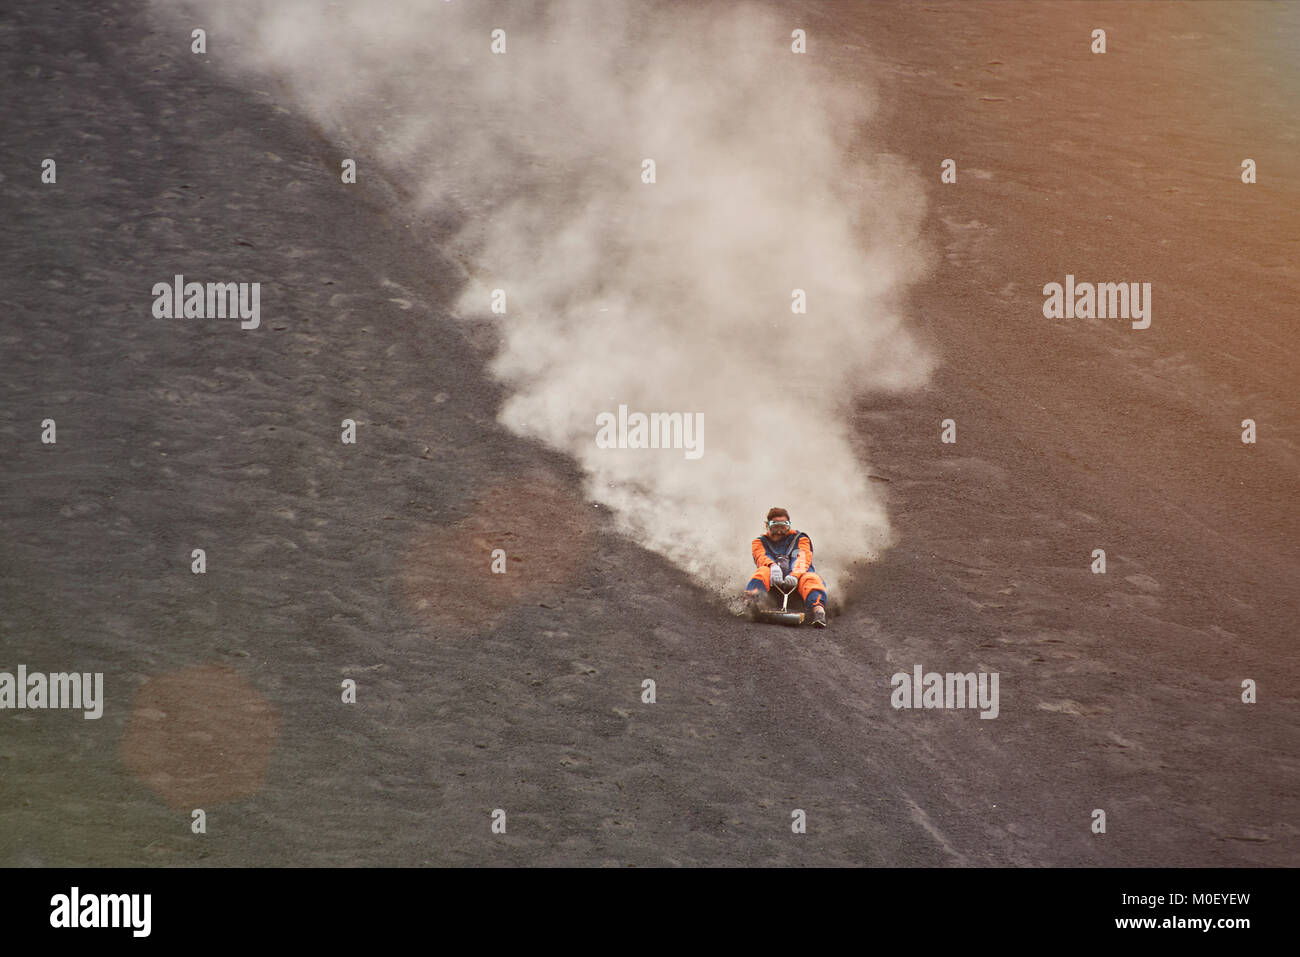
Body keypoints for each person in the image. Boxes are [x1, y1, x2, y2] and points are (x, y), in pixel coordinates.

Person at [745, 507, 828, 627]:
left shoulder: (800, 538)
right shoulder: (759, 542)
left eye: (783, 527)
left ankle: (818, 611)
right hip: (774, 587)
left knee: (811, 578)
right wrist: (772, 566)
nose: (779, 532)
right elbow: (760, 557)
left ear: (789, 526)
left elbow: (802, 558)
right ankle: (752, 605)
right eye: (775, 527)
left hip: (797, 584)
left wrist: (794, 575)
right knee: (762, 571)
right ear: (767, 525)